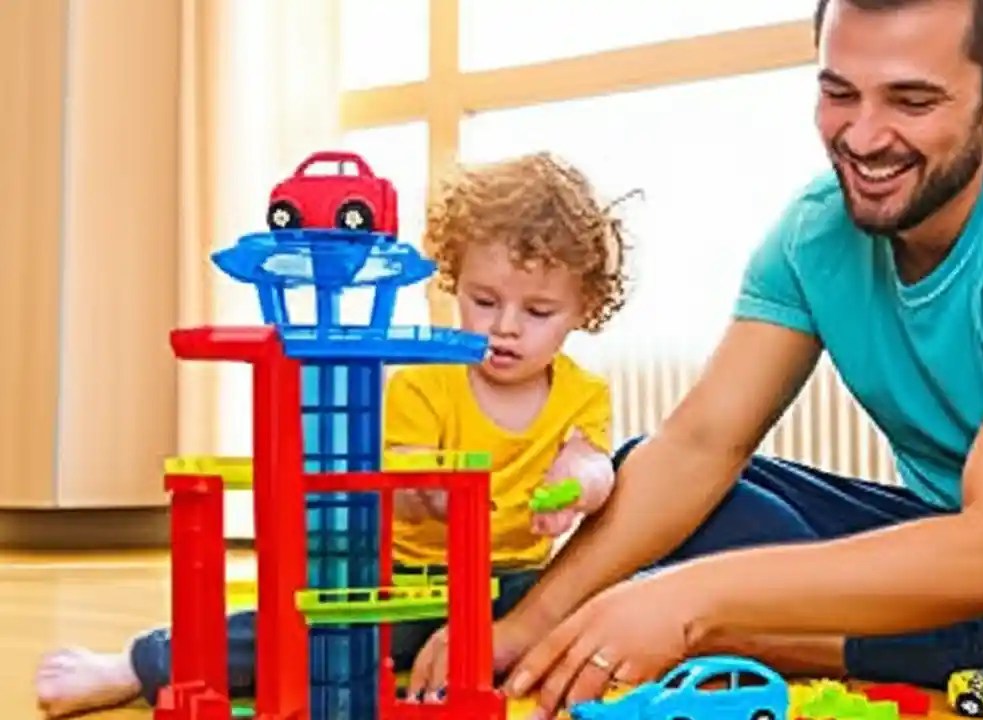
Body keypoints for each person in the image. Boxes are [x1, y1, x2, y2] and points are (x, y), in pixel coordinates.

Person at [405, 1, 983, 718]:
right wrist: (531, 618)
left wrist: (695, 602)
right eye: (839, 93)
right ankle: (920, 647)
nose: (863, 138)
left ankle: (778, 636)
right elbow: (701, 445)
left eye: (912, 100)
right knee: (651, 478)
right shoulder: (814, 230)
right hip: (942, 546)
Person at [34, 151, 632, 718]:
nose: (504, 327)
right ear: (451, 282)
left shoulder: (583, 394)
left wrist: (576, 483)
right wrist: (430, 490)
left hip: (515, 589)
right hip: (400, 578)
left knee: (591, 614)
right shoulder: (427, 383)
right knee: (294, 634)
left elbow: (593, 464)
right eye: (483, 300)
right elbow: (396, 479)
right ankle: (141, 664)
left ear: (582, 309)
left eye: (537, 312)